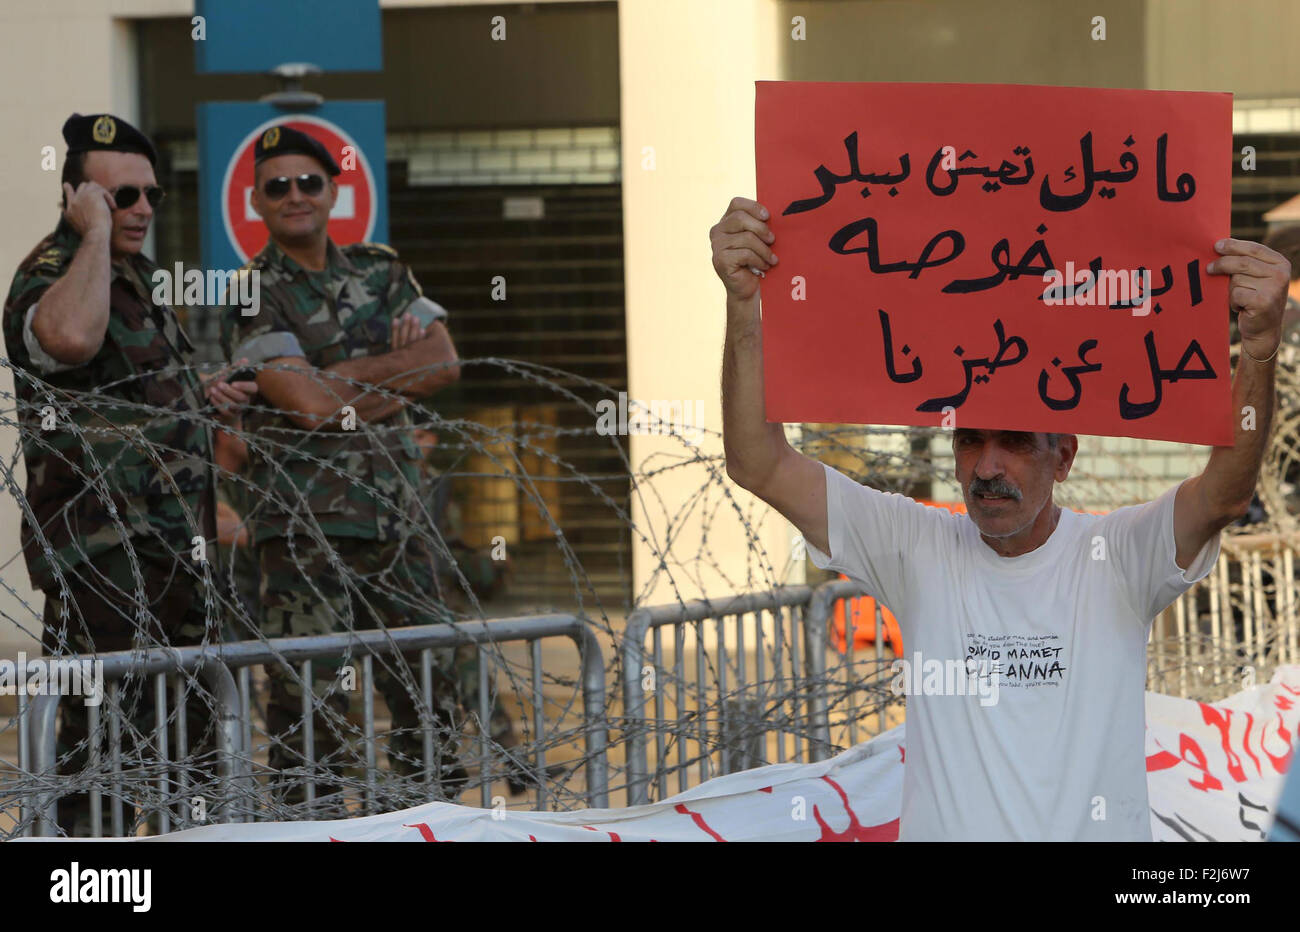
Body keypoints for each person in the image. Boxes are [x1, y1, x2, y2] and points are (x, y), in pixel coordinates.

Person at [712, 195, 1285, 841]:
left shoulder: (1119, 556)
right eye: (968, 440)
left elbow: (1223, 495)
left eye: (1013, 442)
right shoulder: (916, 547)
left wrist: (1258, 350)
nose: (986, 466)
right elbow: (759, 464)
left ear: (1062, 456)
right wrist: (743, 309)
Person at [2, 112, 255, 834]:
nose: (143, 209)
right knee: (102, 763)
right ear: (79, 197)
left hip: (180, 554)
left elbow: (133, 397)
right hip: (105, 562)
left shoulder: (136, 280)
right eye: (122, 197)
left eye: (151, 196)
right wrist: (93, 235)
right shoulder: (58, 271)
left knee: (193, 755)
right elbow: (70, 338)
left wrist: (201, 396)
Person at [220, 124, 468, 811]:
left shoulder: (382, 270)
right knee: (312, 716)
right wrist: (388, 375)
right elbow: (308, 409)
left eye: (308, 182)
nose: (295, 196)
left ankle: (427, 822)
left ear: (333, 190)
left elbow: (444, 361)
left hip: (397, 526)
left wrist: (341, 375)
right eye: (278, 187)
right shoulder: (251, 291)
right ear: (257, 202)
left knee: (431, 699)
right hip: (305, 538)